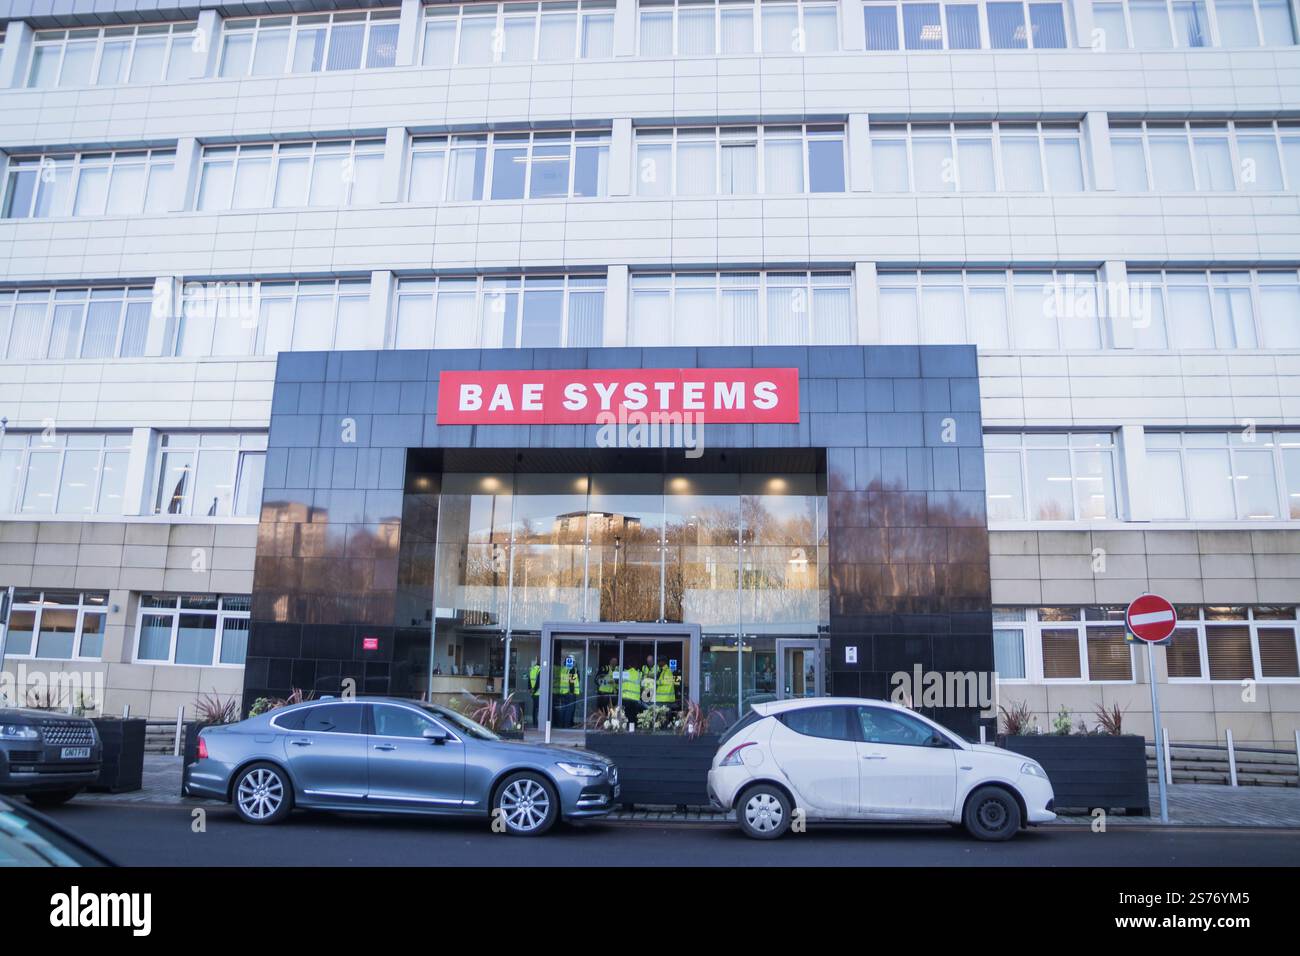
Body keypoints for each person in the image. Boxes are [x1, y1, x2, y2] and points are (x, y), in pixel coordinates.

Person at [620, 660, 642, 725]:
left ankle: (626, 729)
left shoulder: (624, 673)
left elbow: (618, 683)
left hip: (626, 698)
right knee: (633, 716)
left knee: (626, 716)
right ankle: (632, 729)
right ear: (635, 666)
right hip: (635, 699)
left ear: (629, 666)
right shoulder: (639, 674)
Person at [528, 660, 541, 728]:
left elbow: (529, 681)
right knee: (539, 709)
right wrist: (535, 691)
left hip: (533, 693)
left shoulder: (532, 669)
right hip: (538, 693)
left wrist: (530, 690)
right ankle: (538, 723)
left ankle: (534, 722)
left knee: (535, 708)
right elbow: (538, 683)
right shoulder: (540, 670)